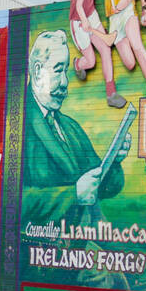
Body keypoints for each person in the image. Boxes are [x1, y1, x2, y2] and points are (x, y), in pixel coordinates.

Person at [22, 30, 130, 229]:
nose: (65, 83)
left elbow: (102, 186)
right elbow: (14, 201)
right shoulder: (18, 126)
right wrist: (75, 194)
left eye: (66, 72)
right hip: (39, 252)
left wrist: (114, 162)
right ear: (37, 71)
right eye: (58, 70)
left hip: (77, 249)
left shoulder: (70, 128)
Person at [69, 0, 125, 107]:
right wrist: (85, 22)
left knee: (106, 49)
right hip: (79, 21)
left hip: (91, 14)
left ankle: (111, 94)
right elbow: (78, 4)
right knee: (91, 61)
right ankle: (78, 65)